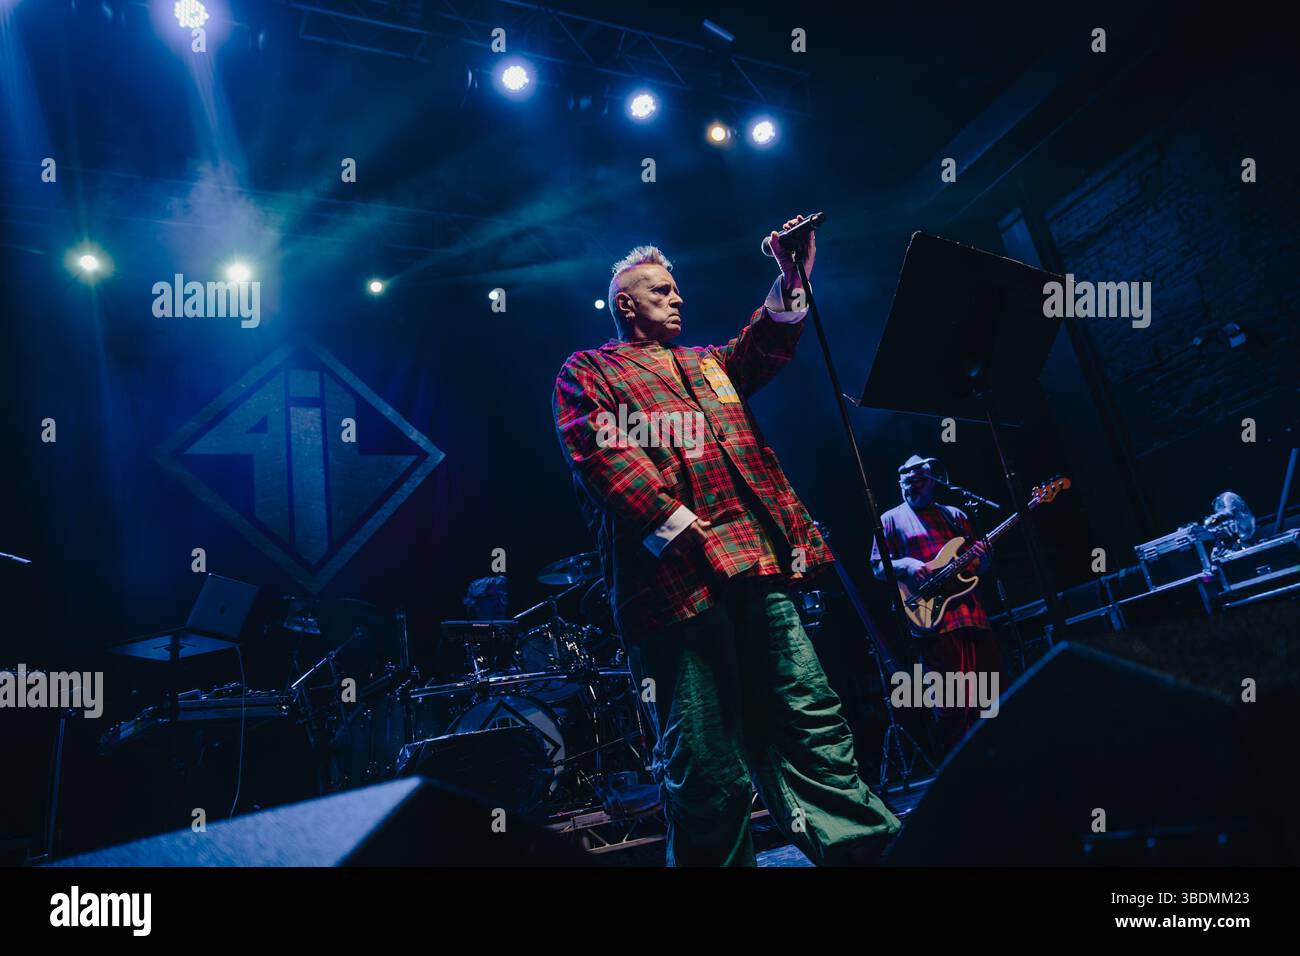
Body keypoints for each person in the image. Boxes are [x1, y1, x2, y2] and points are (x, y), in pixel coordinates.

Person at [552, 216, 900, 865]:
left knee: (811, 725)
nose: (677, 298)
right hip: (673, 591)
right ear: (625, 304)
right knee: (707, 765)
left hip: (756, 568)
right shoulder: (589, 371)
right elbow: (597, 448)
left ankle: (868, 856)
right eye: (661, 291)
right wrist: (671, 523)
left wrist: (791, 273)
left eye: (677, 289)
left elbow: (763, 348)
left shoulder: (706, 364)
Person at [871, 455, 1002, 750]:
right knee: (953, 701)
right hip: (934, 621)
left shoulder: (953, 514)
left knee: (990, 692)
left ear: (932, 483)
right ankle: (962, 764)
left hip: (972, 616)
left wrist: (982, 556)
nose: (910, 490)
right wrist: (904, 564)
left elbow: (978, 566)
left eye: (916, 484)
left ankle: (995, 756)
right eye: (904, 485)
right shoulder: (890, 519)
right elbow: (878, 568)